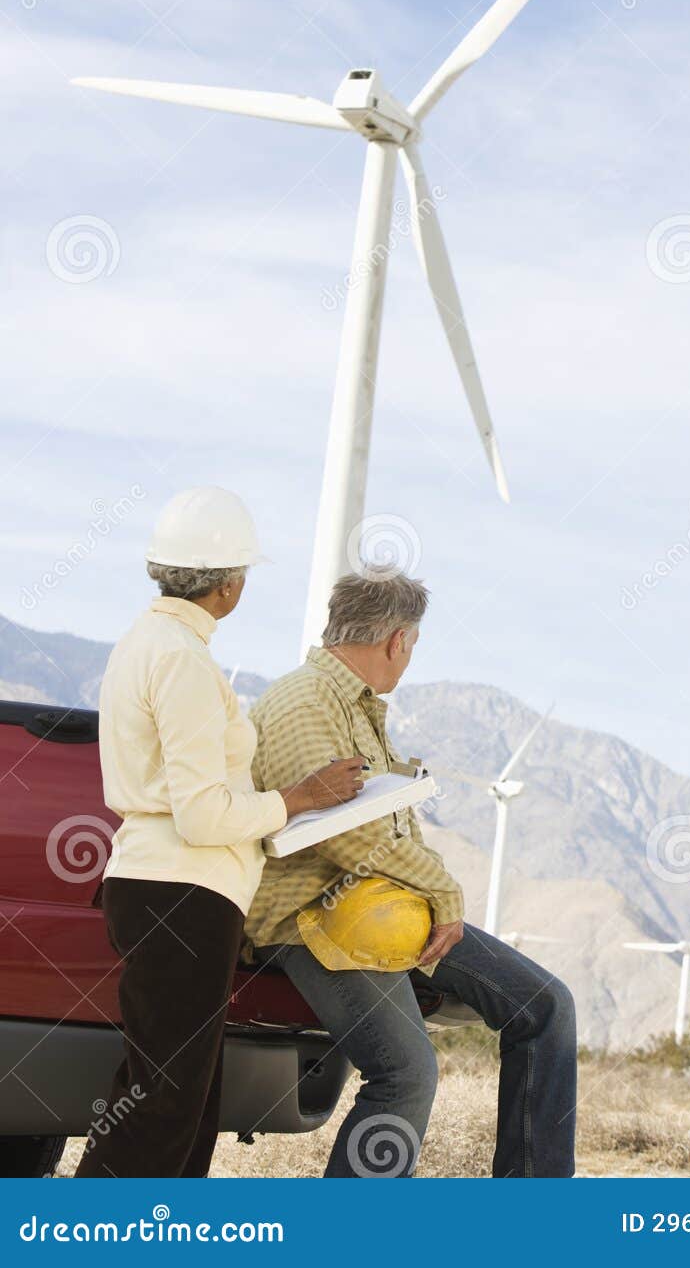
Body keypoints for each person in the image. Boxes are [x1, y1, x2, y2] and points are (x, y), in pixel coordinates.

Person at [246, 566, 577, 1178]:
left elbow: (376, 817)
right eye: (413, 646)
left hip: (387, 908)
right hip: (315, 920)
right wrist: (443, 889)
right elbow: (346, 836)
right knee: (406, 1073)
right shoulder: (304, 703)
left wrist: (429, 891)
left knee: (544, 1005)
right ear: (398, 640)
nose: (409, 659)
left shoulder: (356, 706)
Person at [76, 487, 366, 1178]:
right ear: (230, 585)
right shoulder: (181, 658)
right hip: (182, 895)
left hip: (164, 891)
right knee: (162, 1102)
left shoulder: (144, 644)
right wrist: (295, 799)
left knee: (187, 1100)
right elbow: (202, 814)